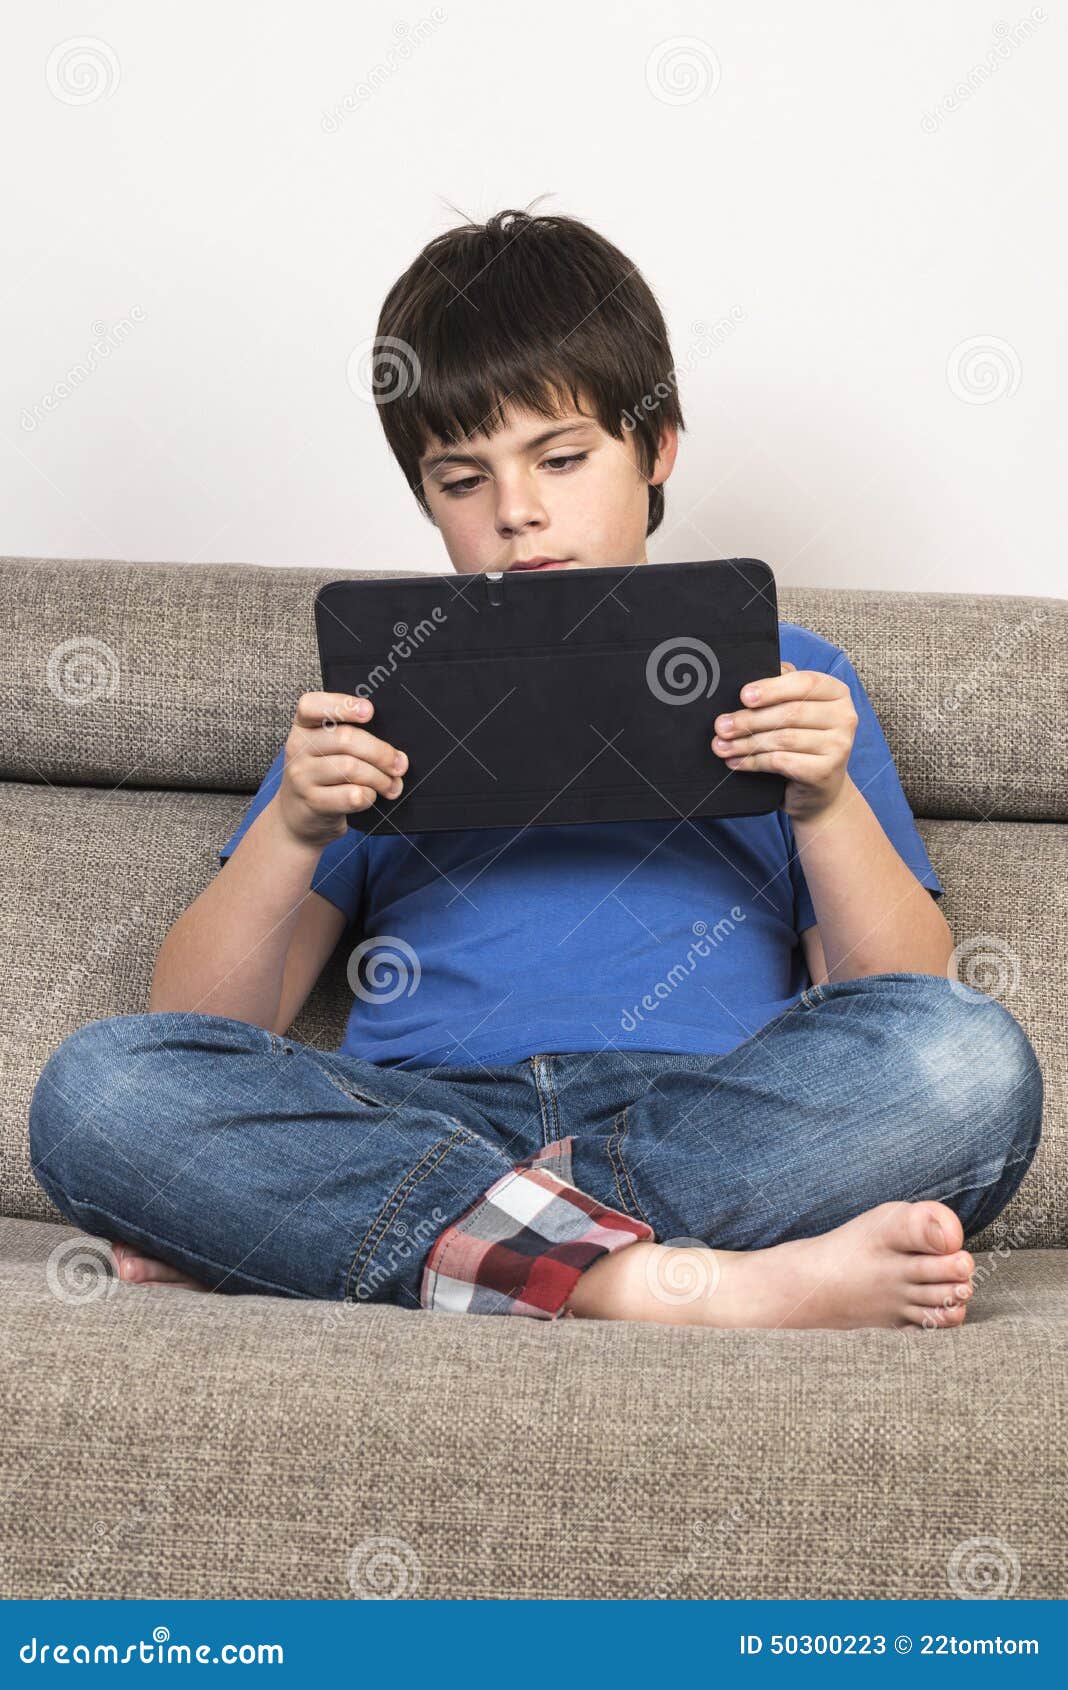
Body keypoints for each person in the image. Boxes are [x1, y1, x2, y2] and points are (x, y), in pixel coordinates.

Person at [29, 207, 1043, 1330]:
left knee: (970, 1062)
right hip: (424, 1115)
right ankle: (647, 1282)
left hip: (689, 1115)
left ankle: (397, 1249)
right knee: (102, 1089)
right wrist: (295, 829)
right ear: (427, 499)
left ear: (655, 448)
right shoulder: (379, 693)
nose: (517, 512)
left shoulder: (793, 676)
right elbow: (205, 1023)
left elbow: (894, 1000)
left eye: (561, 459)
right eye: (463, 482)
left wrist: (825, 798)